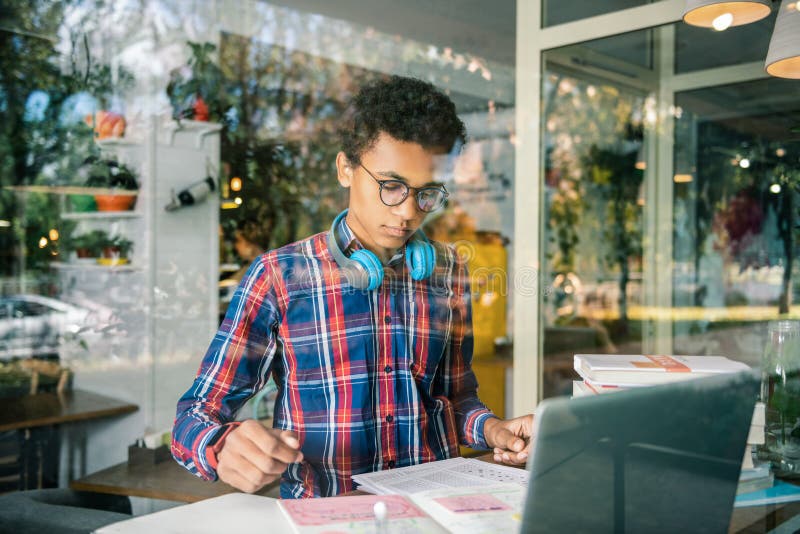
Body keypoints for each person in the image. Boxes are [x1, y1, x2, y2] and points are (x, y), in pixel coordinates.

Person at [172, 75, 534, 499]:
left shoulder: (448, 271)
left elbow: (454, 399)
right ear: (346, 168)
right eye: (391, 186)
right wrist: (221, 446)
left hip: (434, 512)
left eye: (427, 193)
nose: (408, 212)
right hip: (326, 519)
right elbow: (193, 415)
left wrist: (492, 429)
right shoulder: (278, 276)